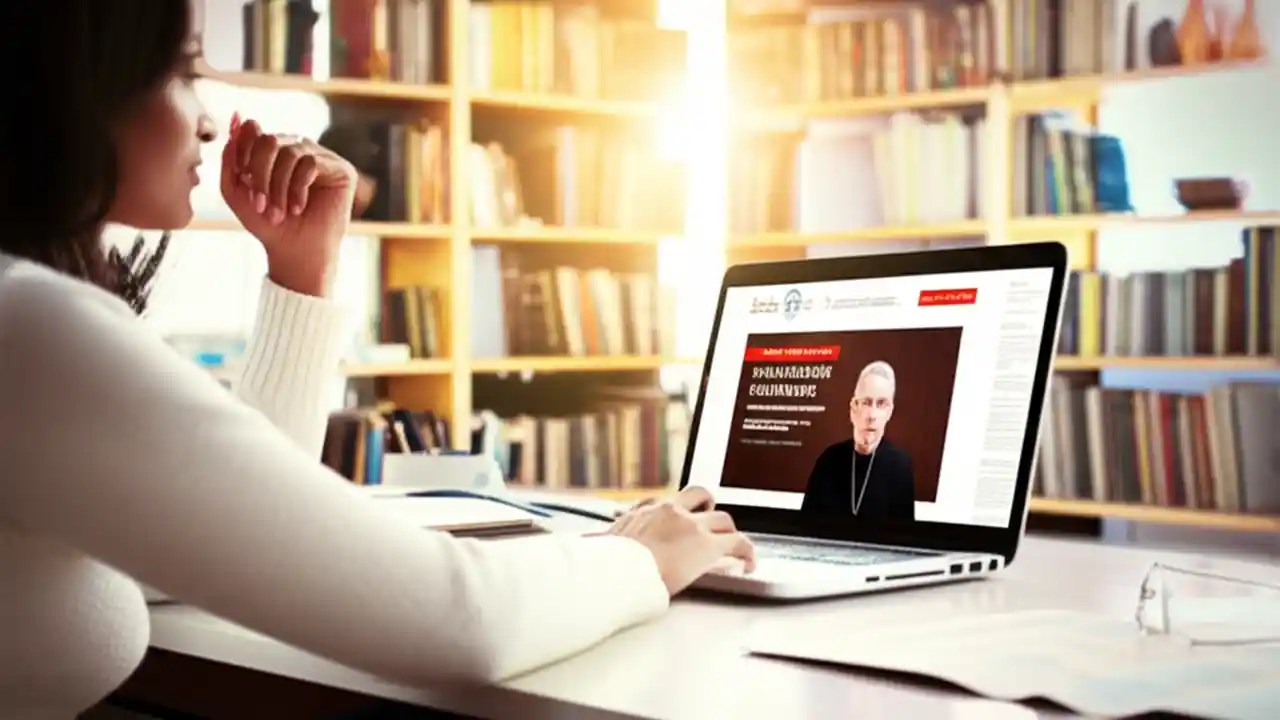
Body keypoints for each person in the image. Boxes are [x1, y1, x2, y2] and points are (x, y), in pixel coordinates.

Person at [0, 2, 754, 717]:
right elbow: (458, 620)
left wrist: (302, 272)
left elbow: (225, 535)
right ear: (73, 83)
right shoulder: (34, 335)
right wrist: (638, 556)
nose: (206, 118)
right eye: (183, 70)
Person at [800, 361, 915, 520]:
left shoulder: (900, 466)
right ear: (853, 408)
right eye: (866, 403)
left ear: (889, 411)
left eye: (881, 404)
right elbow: (805, 525)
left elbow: (904, 532)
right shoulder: (829, 460)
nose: (872, 415)